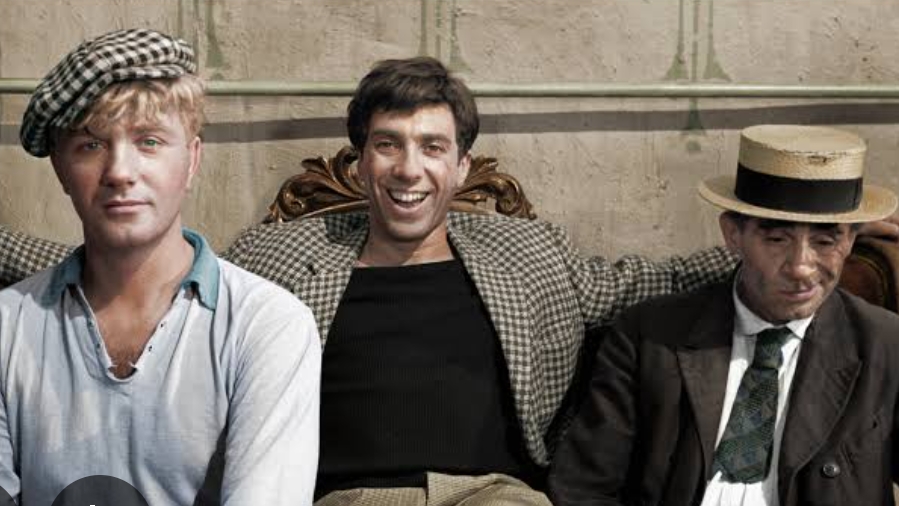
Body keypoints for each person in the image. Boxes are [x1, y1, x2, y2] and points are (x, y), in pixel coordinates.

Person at [1, 57, 895, 506]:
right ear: (359, 161)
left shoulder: (526, 254)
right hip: (347, 501)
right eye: (387, 146)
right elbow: (127, 266)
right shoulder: (278, 261)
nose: (408, 169)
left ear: (462, 166)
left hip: (494, 498)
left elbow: (641, 280)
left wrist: (808, 236)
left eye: (431, 147)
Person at [0, 28, 321, 504]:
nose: (120, 172)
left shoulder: (266, 324)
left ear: (192, 160)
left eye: (148, 141)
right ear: (61, 169)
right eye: (90, 145)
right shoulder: (8, 324)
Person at [547, 124, 899, 506]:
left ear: (850, 240)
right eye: (777, 239)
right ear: (733, 234)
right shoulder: (649, 337)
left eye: (825, 241)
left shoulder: (886, 346)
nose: (801, 267)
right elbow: (584, 490)